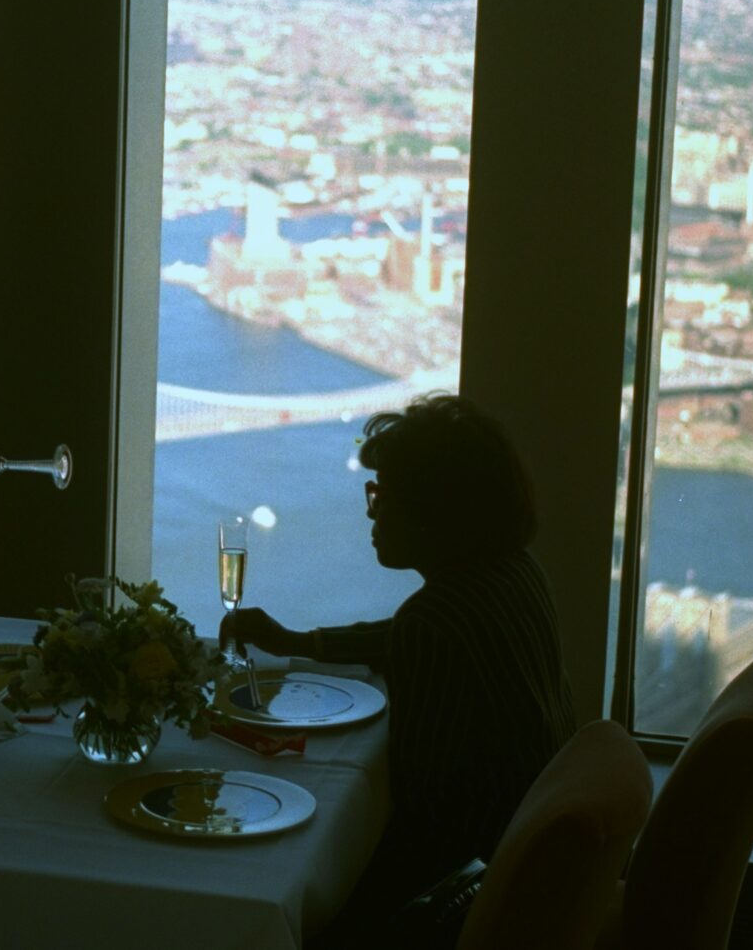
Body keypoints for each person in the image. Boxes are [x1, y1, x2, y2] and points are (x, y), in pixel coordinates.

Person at [221, 393, 577, 944]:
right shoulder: (512, 574)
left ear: (435, 514)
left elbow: (419, 817)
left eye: (382, 496)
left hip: (464, 897)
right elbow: (405, 637)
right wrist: (298, 641)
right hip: (531, 866)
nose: (371, 511)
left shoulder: (432, 622)